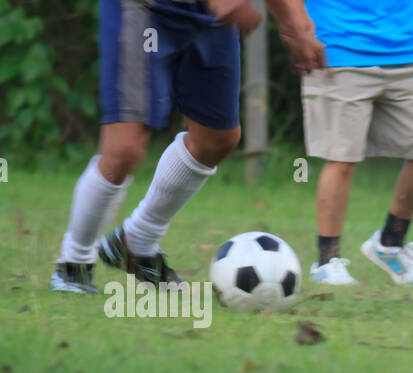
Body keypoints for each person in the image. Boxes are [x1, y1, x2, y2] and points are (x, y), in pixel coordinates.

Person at [51, 0, 324, 294]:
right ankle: (74, 264)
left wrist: (295, 22)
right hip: (144, 9)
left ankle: (136, 243)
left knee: (217, 139)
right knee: (124, 149)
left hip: (208, 17)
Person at [301, 0, 413, 287]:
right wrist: (295, 27)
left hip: (408, 50)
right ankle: (326, 261)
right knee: (342, 157)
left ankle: (389, 245)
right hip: (339, 48)